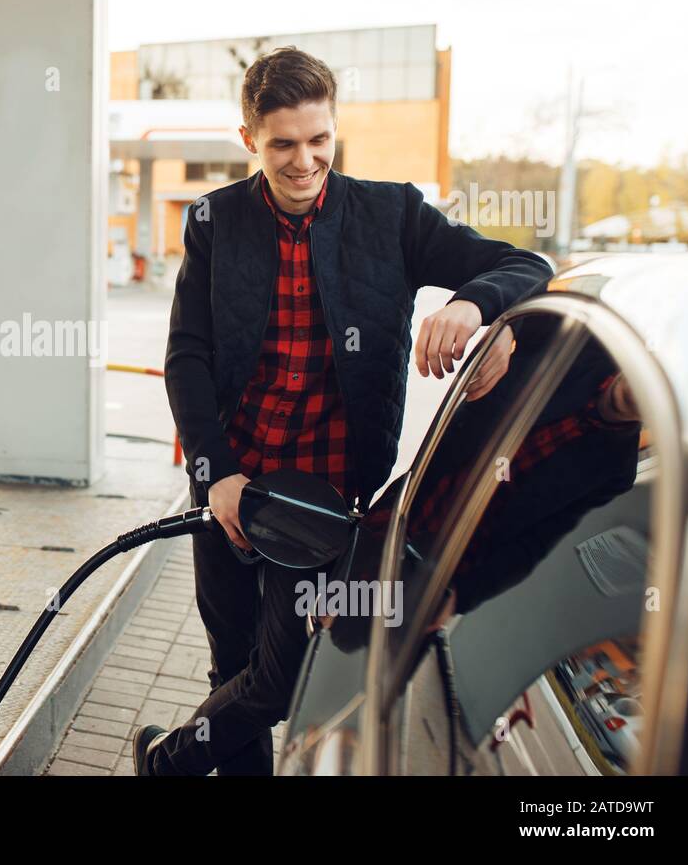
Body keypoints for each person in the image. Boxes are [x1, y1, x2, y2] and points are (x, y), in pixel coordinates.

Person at [138, 47, 553, 775]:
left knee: (277, 679)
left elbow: (525, 265)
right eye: (284, 144)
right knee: (229, 662)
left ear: (335, 129)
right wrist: (217, 475)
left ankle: (168, 761)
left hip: (327, 501)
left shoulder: (391, 215)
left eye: (319, 140)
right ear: (249, 141)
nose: (305, 161)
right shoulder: (215, 221)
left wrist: (475, 304)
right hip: (236, 486)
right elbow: (187, 358)